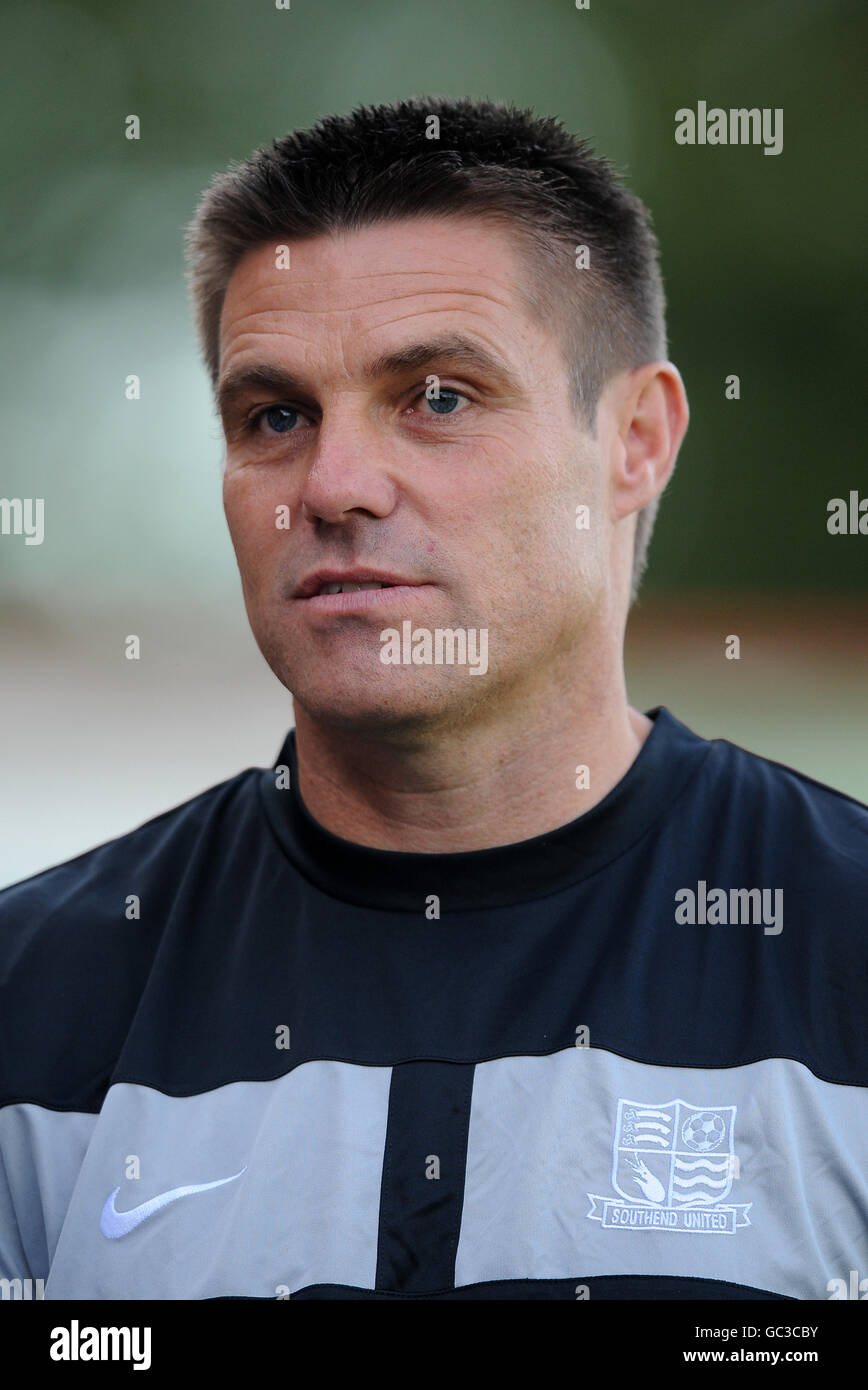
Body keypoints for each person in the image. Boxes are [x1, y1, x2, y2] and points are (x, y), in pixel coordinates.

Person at [1, 97, 865, 1302]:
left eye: (438, 396)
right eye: (276, 416)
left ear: (635, 440)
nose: (335, 483)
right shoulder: (31, 1005)